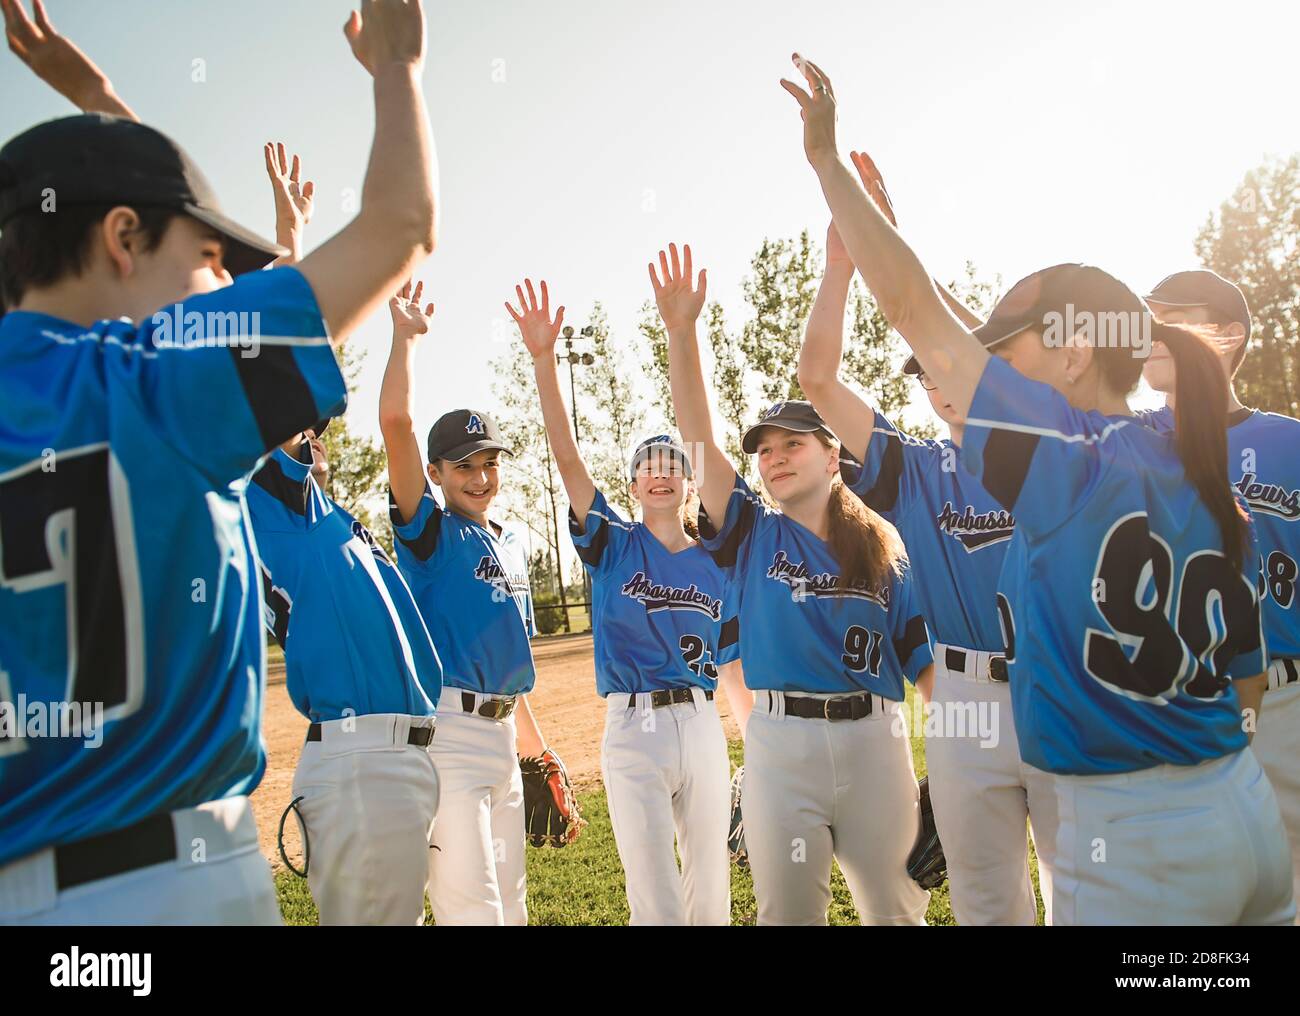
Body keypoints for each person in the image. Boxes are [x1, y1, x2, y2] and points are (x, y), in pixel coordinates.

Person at [783, 54, 1293, 924]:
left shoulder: (1067, 464)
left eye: (1009, 344)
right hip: (1240, 814)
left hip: (1138, 839)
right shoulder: (1203, 463)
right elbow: (1245, 685)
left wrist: (826, 165)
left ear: (1073, 352)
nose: (991, 364)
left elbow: (912, 308)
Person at [0, 0, 437, 924]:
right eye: (208, 256)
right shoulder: (158, 382)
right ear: (122, 239)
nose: (223, 282)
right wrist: (399, 68)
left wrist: (96, 104)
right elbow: (401, 226)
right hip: (168, 887)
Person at [798, 153, 1057, 926]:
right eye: (923, 374)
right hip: (966, 697)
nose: (937, 381)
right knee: (987, 899)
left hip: (1057, 680)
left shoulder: (1039, 444)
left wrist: (895, 239)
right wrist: (841, 266)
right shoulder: (913, 470)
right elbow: (817, 380)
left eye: (948, 364)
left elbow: (951, 331)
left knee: (1080, 885)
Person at [655, 242, 934, 926]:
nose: (775, 459)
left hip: (876, 742)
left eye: (793, 444)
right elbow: (699, 441)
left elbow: (924, 664)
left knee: (898, 914)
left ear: (832, 453)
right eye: (766, 450)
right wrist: (683, 333)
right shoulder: (750, 530)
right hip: (782, 747)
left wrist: (959, 761)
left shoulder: (884, 545)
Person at [507, 277, 746, 925]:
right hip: (632, 729)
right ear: (634, 483)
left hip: (699, 724)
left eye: (674, 461)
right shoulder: (612, 542)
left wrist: (758, 746)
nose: (662, 470)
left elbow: (735, 662)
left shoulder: (714, 557)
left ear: (689, 477)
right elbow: (565, 453)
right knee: (656, 899)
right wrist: (542, 363)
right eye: (649, 463)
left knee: (710, 894)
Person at [381, 280, 560, 926]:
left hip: (504, 735)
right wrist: (404, 340)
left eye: (488, 463)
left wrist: (537, 751)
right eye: (463, 467)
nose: (480, 477)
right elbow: (396, 424)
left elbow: (511, 667)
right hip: (449, 739)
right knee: (472, 909)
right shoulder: (429, 532)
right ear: (435, 474)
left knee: (512, 908)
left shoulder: (509, 544)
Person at [1140, 268, 1300, 923]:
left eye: (1169, 319)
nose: (1148, 336)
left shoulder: (1290, 442)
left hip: (1288, 706)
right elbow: (1006, 374)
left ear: (1228, 336)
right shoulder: (1126, 444)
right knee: (1179, 905)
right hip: (1171, 707)